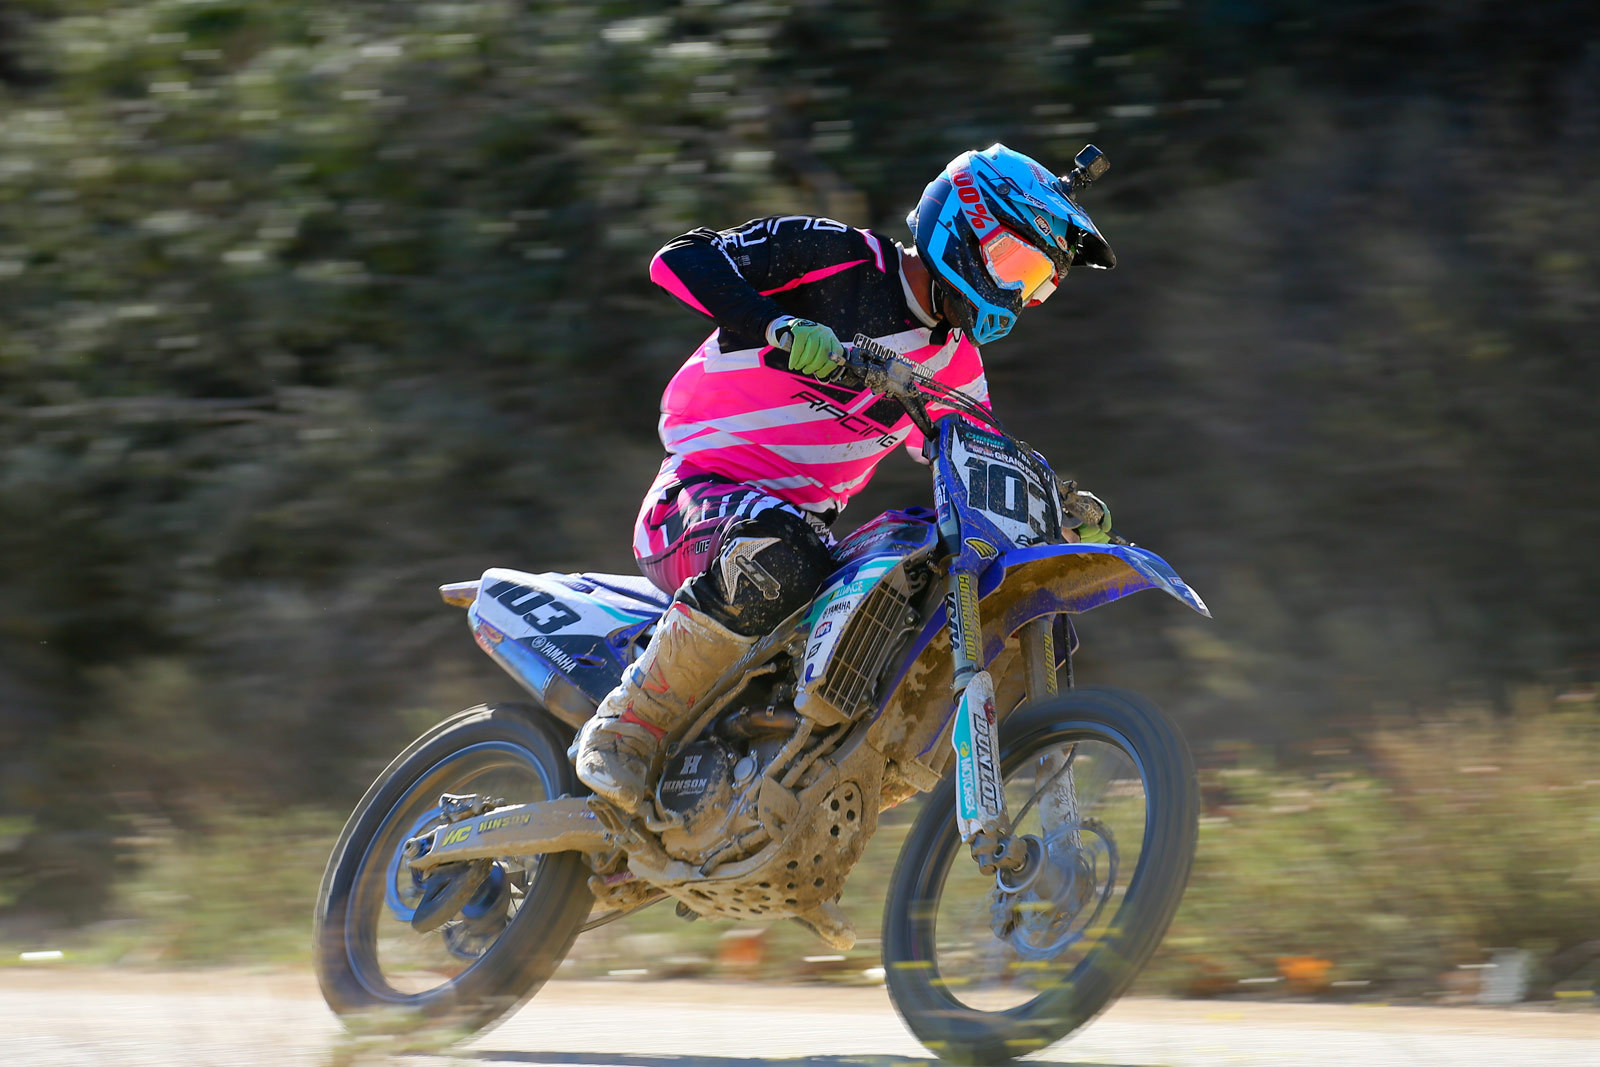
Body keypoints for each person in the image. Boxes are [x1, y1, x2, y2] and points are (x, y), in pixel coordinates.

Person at [574, 143, 1118, 814]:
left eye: (1036, 283)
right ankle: (623, 729)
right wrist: (775, 323)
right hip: (696, 493)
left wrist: (1056, 509)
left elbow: (983, 465)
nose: (1020, 296)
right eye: (1016, 267)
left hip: (805, 534)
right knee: (780, 554)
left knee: (922, 601)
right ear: (964, 226)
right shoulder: (836, 255)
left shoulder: (956, 367)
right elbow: (678, 259)